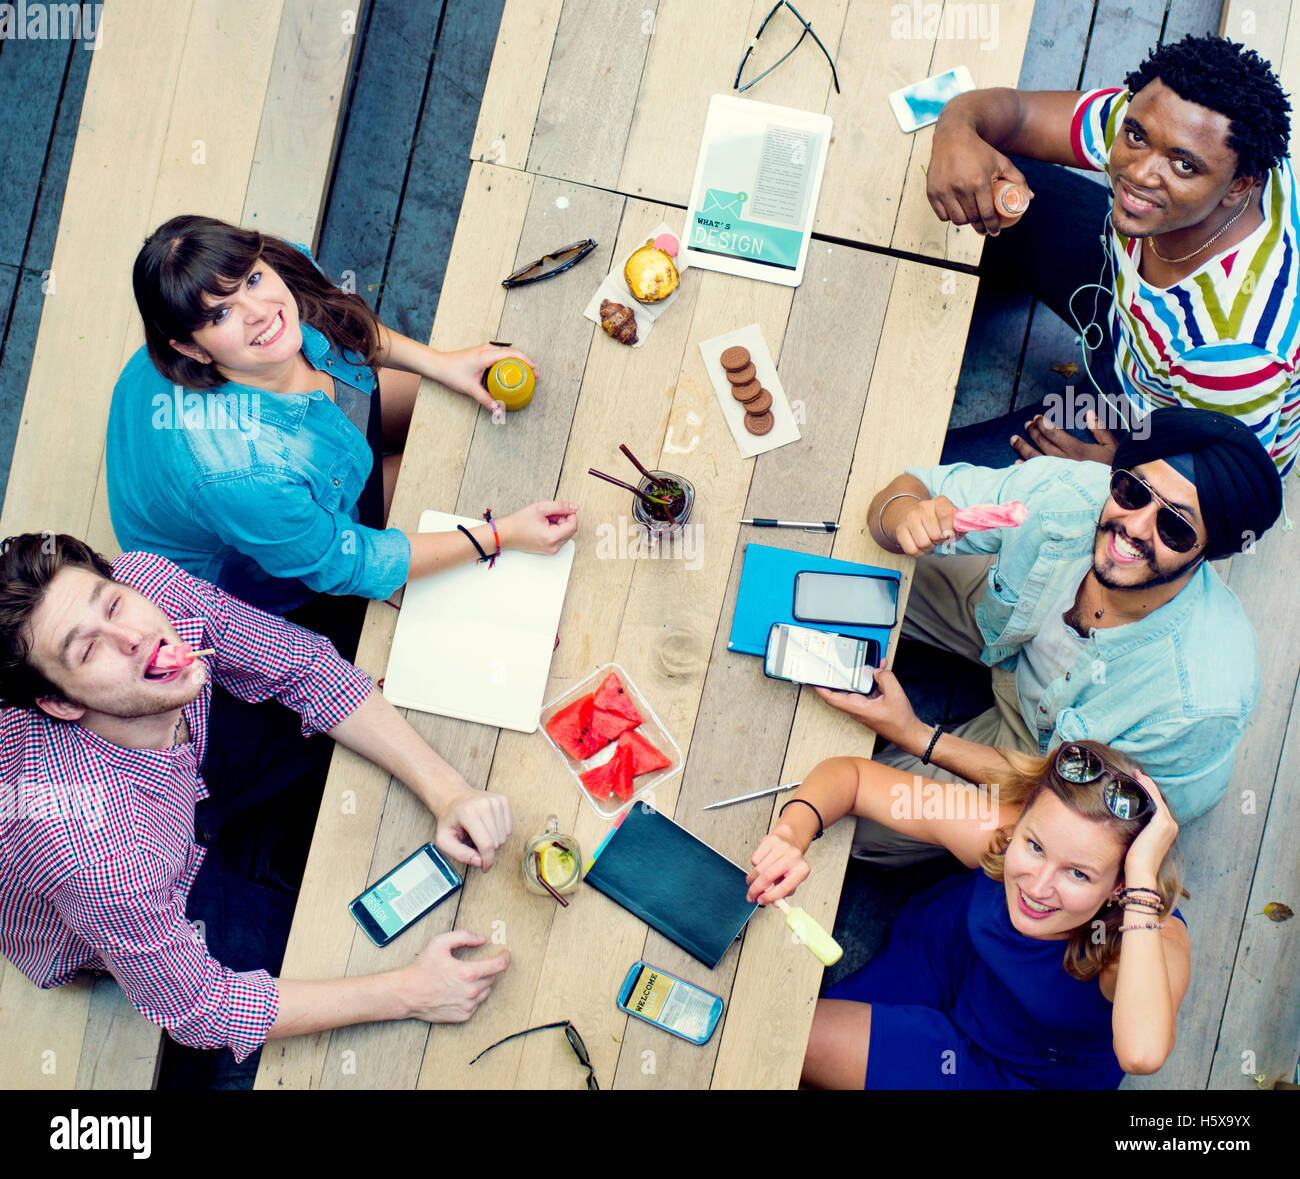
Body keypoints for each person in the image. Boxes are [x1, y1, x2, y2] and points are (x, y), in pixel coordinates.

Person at [0, 533, 512, 1072]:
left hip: (183, 767)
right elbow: (203, 1006)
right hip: (136, 887)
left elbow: (305, 667)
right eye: (87, 649)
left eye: (112, 604)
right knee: (329, 948)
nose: (132, 636)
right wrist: (410, 992)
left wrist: (448, 790)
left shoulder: (147, 585)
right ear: (57, 702)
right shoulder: (95, 856)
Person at [819, 406, 1281, 852]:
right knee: (853, 574)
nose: (1134, 527)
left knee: (854, 827)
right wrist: (906, 518)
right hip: (1006, 632)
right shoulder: (1070, 492)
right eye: (1131, 492)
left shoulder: (1194, 705)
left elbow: (1078, 814)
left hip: (1054, 771)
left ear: (1208, 551)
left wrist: (917, 735)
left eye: (1175, 527)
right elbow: (912, 490)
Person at [106, 214, 578, 632]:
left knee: (458, 412)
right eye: (222, 314)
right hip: (261, 545)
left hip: (288, 450)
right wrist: (503, 535)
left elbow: (338, 319)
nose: (260, 313)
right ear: (190, 349)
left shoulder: (278, 270)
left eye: (250, 280)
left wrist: (441, 363)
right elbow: (352, 562)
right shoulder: (244, 477)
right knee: (455, 490)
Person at [925, 34, 1297, 474]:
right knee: (982, 171)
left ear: (1239, 186)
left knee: (919, 474)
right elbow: (1019, 115)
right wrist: (956, 127)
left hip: (1143, 426)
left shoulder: (1234, 351)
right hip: (1119, 299)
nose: (1139, 174)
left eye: (1183, 167)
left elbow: (1228, 493)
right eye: (1136, 136)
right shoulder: (1169, 123)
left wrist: (1122, 470)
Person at [744, 740, 1189, 1089]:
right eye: (1034, 846)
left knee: (780, 1041)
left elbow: (1143, 1054)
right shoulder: (1001, 834)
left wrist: (1142, 886)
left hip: (1008, 1075)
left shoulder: (1145, 938)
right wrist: (790, 835)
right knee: (775, 1040)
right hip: (948, 961)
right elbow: (855, 779)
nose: (1037, 886)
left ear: (1121, 886)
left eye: (1077, 873)